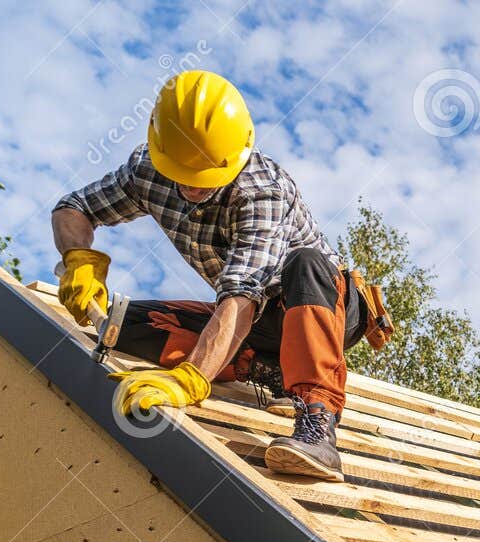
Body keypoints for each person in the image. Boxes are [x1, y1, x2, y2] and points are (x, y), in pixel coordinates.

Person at [52, 70, 387, 481]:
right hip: (258, 323)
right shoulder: (148, 169)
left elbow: (242, 295)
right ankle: (270, 370)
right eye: (183, 176)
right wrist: (79, 258)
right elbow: (73, 207)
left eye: (205, 176)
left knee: (306, 262)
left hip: (323, 307)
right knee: (122, 323)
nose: (193, 188)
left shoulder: (262, 191)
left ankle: (317, 423)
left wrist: (193, 378)